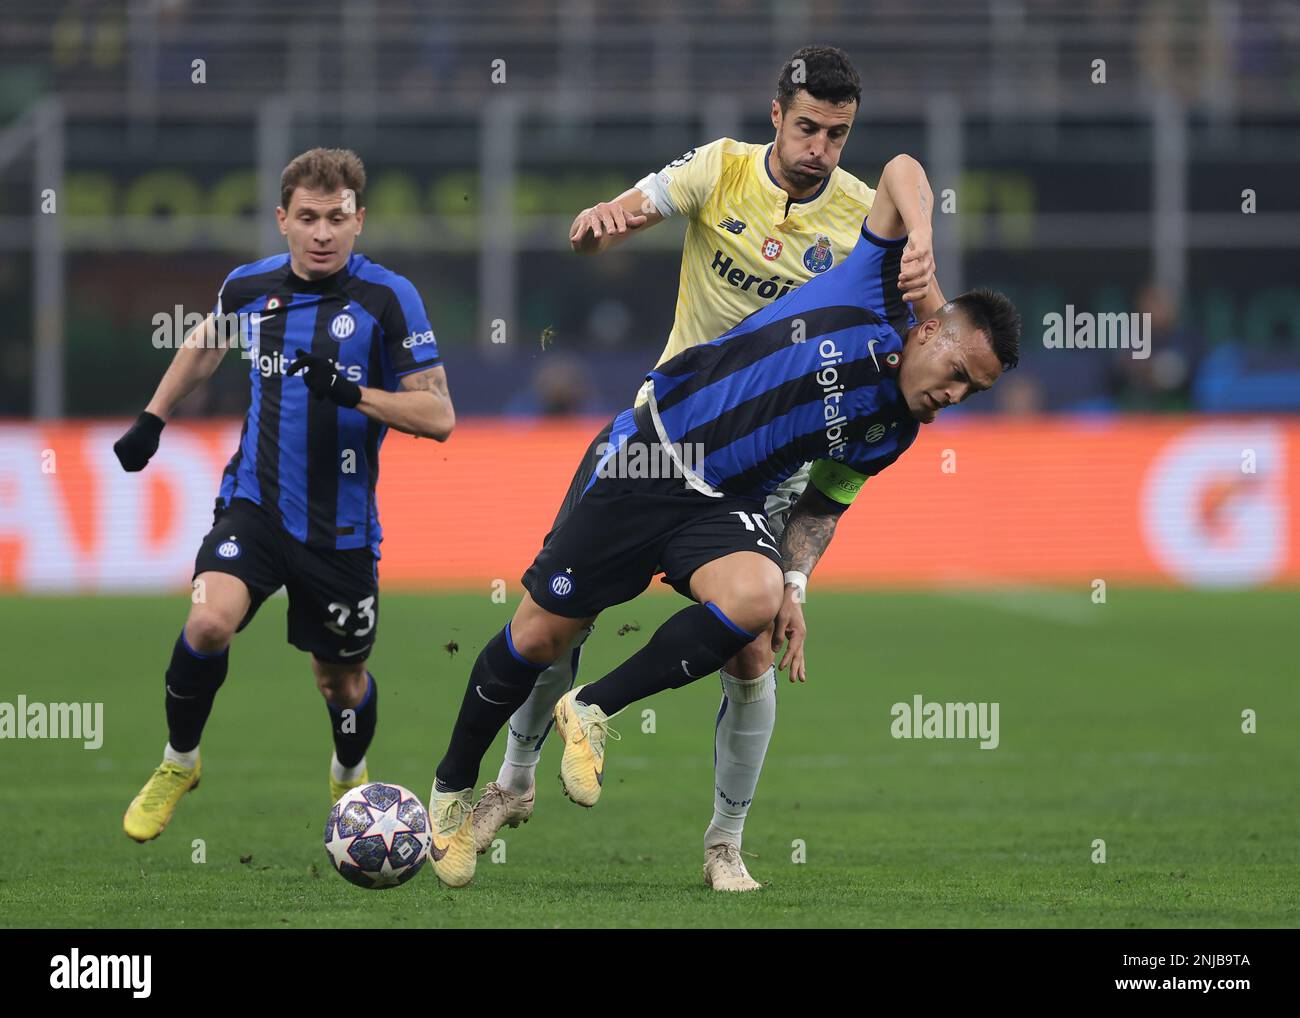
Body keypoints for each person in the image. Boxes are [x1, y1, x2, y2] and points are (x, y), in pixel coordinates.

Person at [426, 151, 1019, 889]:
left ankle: (602, 716)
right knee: (542, 634)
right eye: (958, 374)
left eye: (972, 393)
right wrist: (924, 240)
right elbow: (903, 168)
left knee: (757, 603)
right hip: (653, 455)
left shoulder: (892, 434)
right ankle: (455, 788)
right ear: (929, 333)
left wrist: (794, 585)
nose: (954, 396)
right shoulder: (871, 288)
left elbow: (820, 508)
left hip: (724, 503)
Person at [113, 147, 455, 843]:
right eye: (307, 218)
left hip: (342, 530)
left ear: (359, 221)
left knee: (340, 683)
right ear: (282, 220)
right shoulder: (250, 286)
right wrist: (153, 418)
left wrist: (354, 393)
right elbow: (206, 343)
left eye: (336, 218)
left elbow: (439, 416)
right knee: (208, 623)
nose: (322, 233)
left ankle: (349, 773)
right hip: (256, 505)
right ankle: (180, 762)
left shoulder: (389, 299)